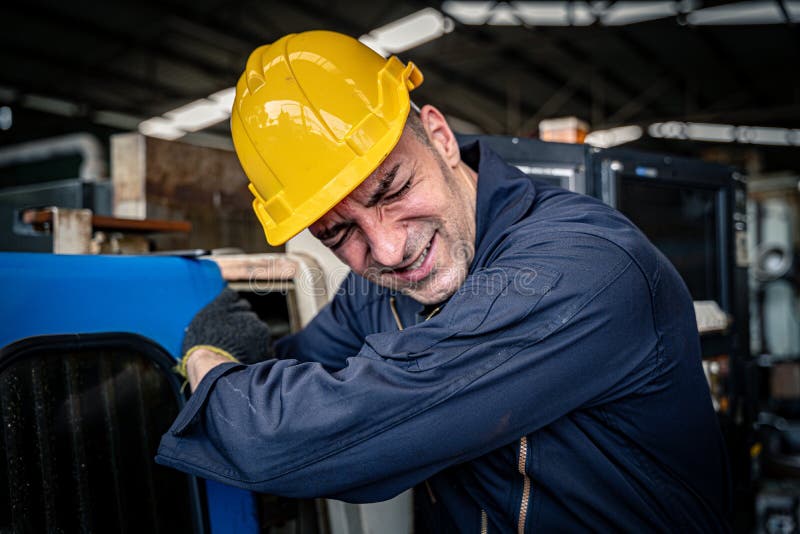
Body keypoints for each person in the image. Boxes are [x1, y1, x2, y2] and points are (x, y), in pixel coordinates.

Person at [157, 30, 730, 532]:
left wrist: (206, 363)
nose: (387, 250)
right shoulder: (374, 292)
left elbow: (287, 438)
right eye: (339, 236)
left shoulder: (583, 271)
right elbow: (291, 374)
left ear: (440, 136)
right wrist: (225, 335)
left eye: (393, 191)